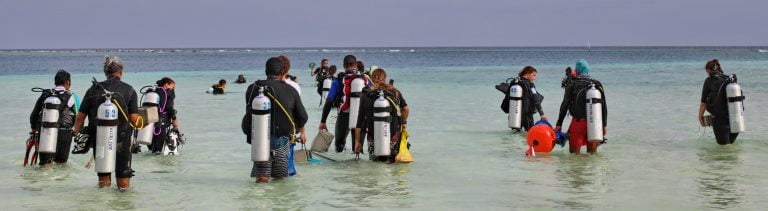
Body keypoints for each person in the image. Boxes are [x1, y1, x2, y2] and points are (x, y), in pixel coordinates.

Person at [73, 56, 140, 189]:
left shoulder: (93, 89)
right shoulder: (129, 90)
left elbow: (80, 117)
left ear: (105, 72)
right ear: (121, 70)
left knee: (103, 178)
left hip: (100, 138)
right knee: (123, 177)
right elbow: (134, 120)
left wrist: (76, 134)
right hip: (122, 139)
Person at [243, 57, 308, 183]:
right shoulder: (290, 89)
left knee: (261, 177)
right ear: (283, 72)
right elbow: (303, 116)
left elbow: (248, 111)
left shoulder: (253, 87)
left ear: (266, 71)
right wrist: (299, 130)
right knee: (279, 178)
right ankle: (277, 202)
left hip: (258, 137)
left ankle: (259, 201)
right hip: (281, 138)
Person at [353, 68, 410, 162]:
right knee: (392, 163)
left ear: (371, 78)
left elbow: (360, 120)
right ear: (385, 78)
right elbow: (405, 109)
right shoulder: (395, 92)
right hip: (393, 136)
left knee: (375, 164)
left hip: (373, 137)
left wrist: (357, 142)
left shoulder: (366, 94)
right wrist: (404, 122)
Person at [319, 55, 371, 152]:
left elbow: (329, 100)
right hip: (362, 118)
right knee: (358, 148)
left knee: (339, 145)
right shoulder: (365, 79)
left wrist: (323, 121)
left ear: (344, 66)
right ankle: (358, 165)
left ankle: (340, 166)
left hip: (344, 116)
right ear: (356, 65)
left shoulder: (338, 80)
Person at [555, 60, 607, 154]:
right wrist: (604, 125)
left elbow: (565, 104)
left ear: (577, 70)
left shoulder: (572, 84)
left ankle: (577, 168)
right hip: (595, 123)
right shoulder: (596, 84)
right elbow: (603, 106)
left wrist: (559, 123)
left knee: (574, 154)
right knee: (592, 154)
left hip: (578, 122)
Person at [29, 70, 78, 168]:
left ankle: (44, 183)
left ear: (55, 82)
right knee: (61, 167)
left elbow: (34, 115)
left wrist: (34, 129)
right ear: (68, 83)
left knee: (45, 165)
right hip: (64, 134)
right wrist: (76, 131)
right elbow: (79, 116)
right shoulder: (72, 96)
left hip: (45, 133)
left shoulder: (45, 94)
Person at [698, 59, 739, 145]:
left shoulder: (709, 81)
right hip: (736, 118)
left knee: (723, 149)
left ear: (708, 70)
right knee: (730, 145)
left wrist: (700, 116)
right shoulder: (728, 80)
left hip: (720, 120)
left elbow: (703, 103)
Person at [500, 66, 547, 131]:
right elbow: (535, 98)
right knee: (529, 135)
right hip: (526, 116)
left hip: (514, 115)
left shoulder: (513, 82)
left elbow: (507, 98)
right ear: (527, 73)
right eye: (534, 75)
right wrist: (542, 114)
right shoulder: (530, 84)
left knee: (515, 136)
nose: (534, 78)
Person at [148, 77, 181, 153]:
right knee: (158, 151)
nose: (173, 89)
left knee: (152, 149)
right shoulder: (168, 93)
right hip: (160, 124)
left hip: (149, 123)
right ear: (166, 84)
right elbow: (169, 107)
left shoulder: (153, 92)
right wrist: (174, 119)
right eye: (173, 87)